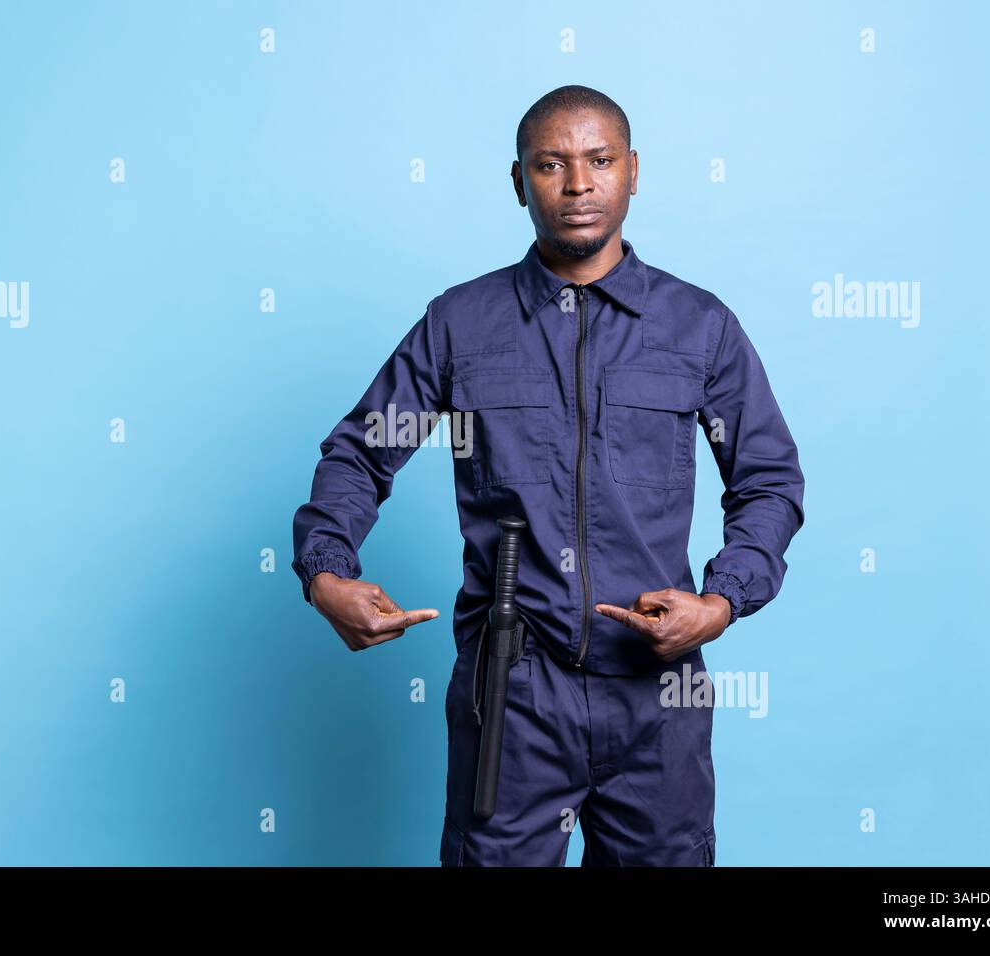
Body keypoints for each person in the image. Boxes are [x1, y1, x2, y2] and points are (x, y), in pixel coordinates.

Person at [290, 85, 805, 866]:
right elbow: (361, 452)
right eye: (550, 165)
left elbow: (768, 479)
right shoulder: (460, 323)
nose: (577, 185)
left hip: (657, 686)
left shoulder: (699, 326)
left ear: (633, 171)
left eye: (599, 161)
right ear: (518, 181)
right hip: (513, 690)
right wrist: (327, 573)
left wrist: (722, 600)